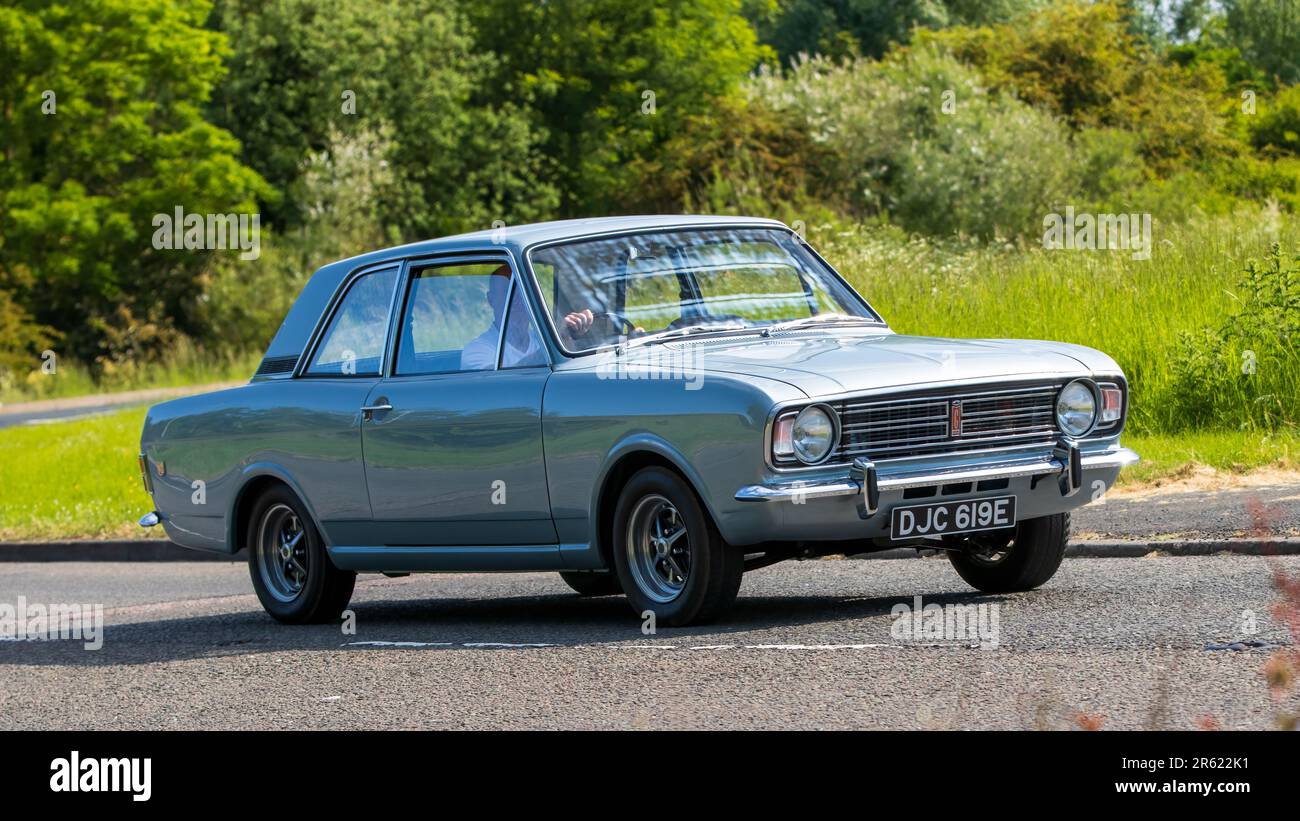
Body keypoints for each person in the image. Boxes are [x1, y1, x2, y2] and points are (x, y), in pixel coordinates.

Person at [460, 265, 594, 370]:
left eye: (521, 294)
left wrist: (573, 334)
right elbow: (498, 387)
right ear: (491, 300)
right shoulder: (477, 350)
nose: (516, 301)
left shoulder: (541, 340)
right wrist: (560, 337)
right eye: (507, 293)